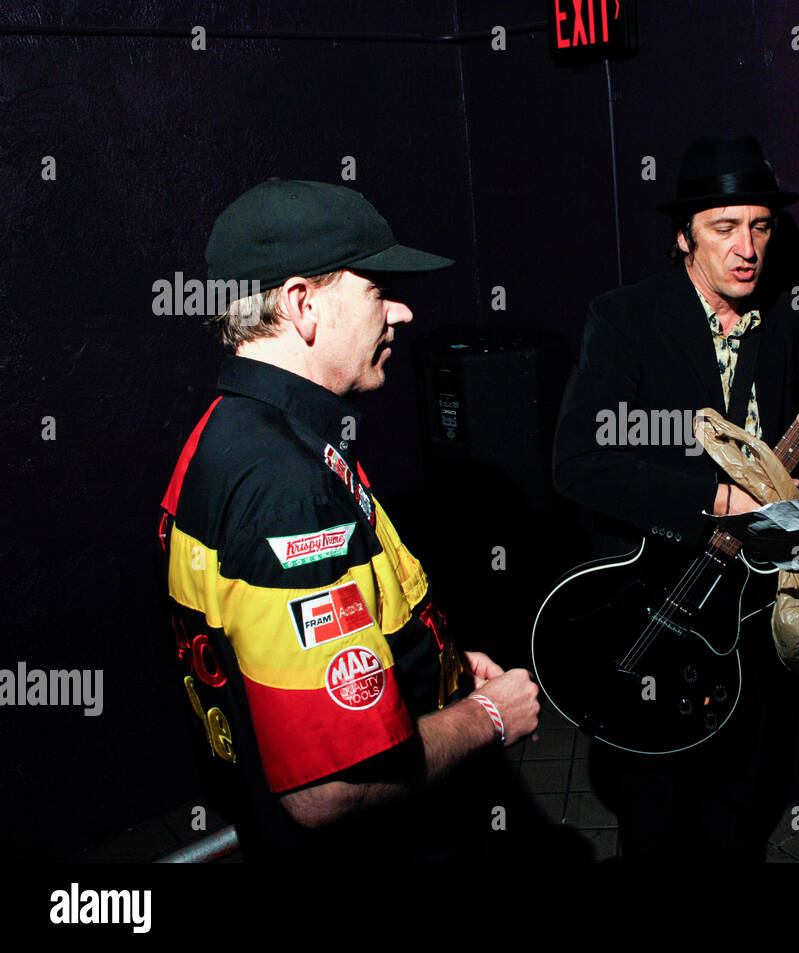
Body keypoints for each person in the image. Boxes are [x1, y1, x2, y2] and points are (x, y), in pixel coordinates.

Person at [158, 178, 541, 861]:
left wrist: (443, 675)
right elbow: (329, 786)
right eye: (376, 289)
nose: (400, 312)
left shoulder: (236, 433)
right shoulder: (282, 483)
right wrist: (486, 717)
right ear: (301, 304)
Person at [552, 135, 799, 861]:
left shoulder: (785, 321)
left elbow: (786, 463)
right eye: (724, 228)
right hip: (658, 602)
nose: (748, 247)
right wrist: (713, 501)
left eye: (760, 226)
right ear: (683, 237)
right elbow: (577, 464)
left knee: (746, 807)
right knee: (659, 819)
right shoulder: (626, 318)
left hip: (753, 614)